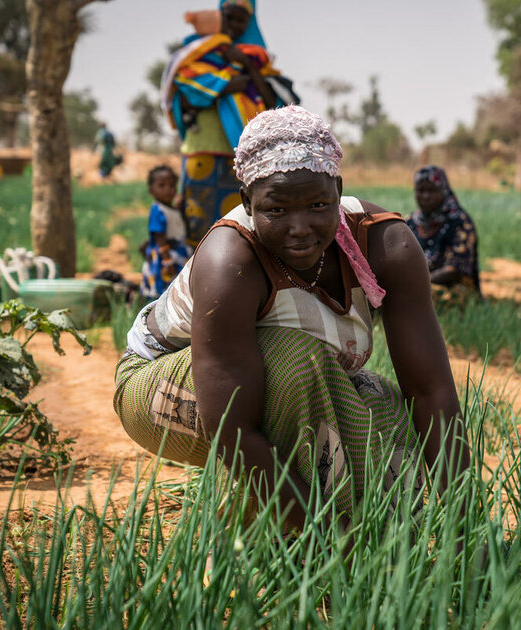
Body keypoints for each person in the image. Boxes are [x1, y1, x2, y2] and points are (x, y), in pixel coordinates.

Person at [114, 106, 470, 531]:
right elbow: (233, 430)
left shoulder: (386, 244)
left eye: (318, 205)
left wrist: (465, 527)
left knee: (383, 406)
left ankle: (381, 535)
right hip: (160, 387)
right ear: (248, 202)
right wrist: (327, 537)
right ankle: (257, 541)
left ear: (338, 190)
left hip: (276, 382)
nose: (300, 228)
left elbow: (430, 391)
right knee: (293, 359)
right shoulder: (231, 259)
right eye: (277, 210)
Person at [160, 0, 298, 248]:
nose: (233, 24)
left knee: (239, 230)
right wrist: (226, 86)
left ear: (249, 22)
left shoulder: (257, 59)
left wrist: (245, 63)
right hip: (201, 154)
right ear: (218, 17)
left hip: (243, 160)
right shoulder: (198, 54)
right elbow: (184, 99)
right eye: (227, 17)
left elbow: (273, 104)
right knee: (197, 226)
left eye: (240, 19)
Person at [407, 165, 481, 300]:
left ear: (443, 191)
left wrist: (417, 283)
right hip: (418, 284)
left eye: (432, 190)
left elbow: (454, 270)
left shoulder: (459, 222)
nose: (425, 196)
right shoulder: (410, 222)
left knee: (417, 299)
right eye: (421, 190)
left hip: (452, 287)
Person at [140, 165, 192, 299]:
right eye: (161, 185)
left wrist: (179, 208)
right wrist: (167, 260)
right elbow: (159, 237)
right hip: (167, 253)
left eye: (172, 185)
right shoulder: (157, 210)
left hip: (178, 251)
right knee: (165, 286)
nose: (168, 190)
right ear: (151, 190)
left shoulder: (171, 209)